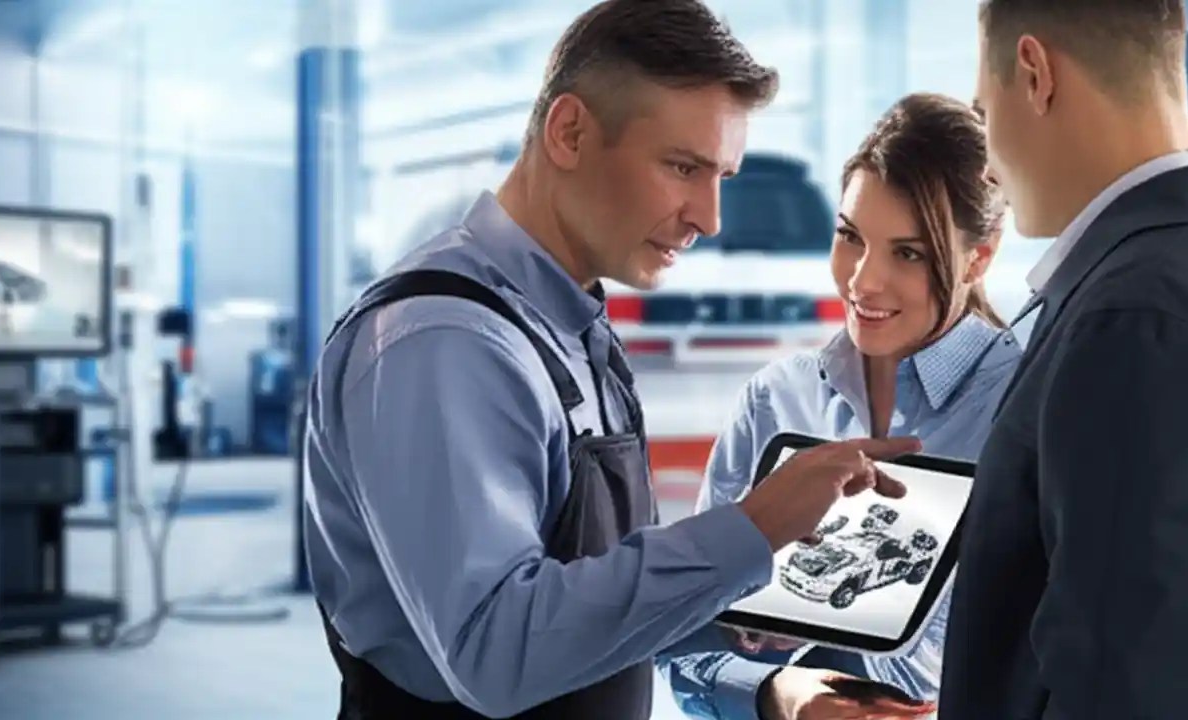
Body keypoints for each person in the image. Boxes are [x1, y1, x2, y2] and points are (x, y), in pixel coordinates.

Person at [300, 2, 923, 719]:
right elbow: (495, 651)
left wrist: (742, 616)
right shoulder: (444, 341)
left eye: (721, 176)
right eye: (683, 167)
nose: (709, 218)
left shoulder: (570, 328)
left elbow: (585, 604)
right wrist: (750, 529)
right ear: (569, 132)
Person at [660, 93, 1021, 720]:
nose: (862, 281)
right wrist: (778, 695)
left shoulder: (1027, 409)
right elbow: (684, 642)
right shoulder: (777, 401)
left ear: (979, 257)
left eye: (908, 253)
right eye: (850, 237)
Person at [940, 1, 1188, 718]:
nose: (987, 168)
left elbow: (1133, 687)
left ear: (1035, 73)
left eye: (984, 115)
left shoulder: (1137, 314)